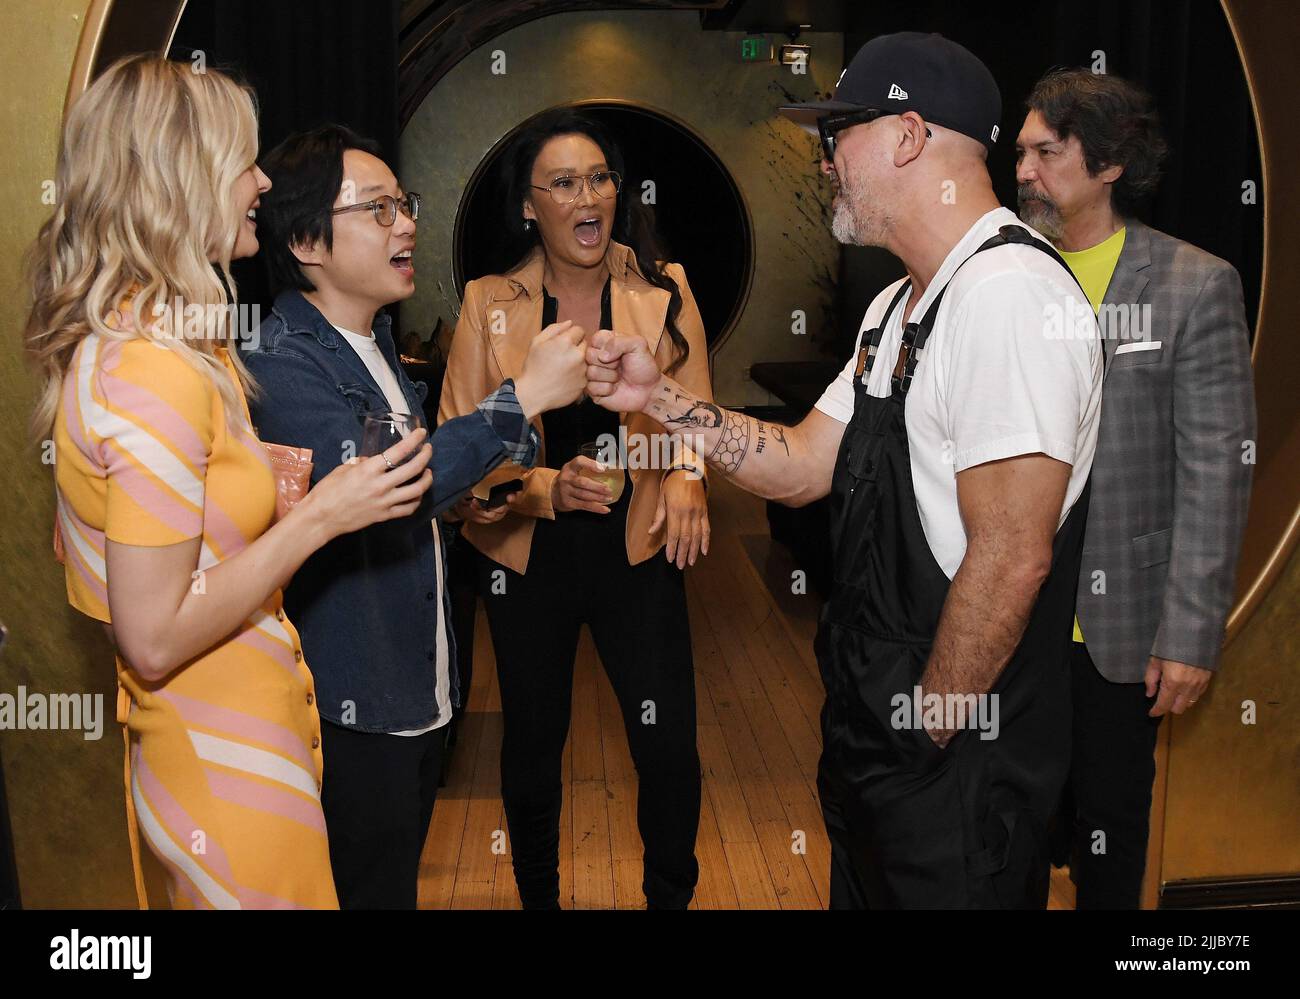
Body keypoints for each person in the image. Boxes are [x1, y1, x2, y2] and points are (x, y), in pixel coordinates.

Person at [586, 33, 1104, 908]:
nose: (825, 162)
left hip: (953, 776)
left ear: (907, 137)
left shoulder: (1009, 297)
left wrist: (928, 732)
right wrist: (663, 398)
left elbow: (1012, 556)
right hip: (875, 751)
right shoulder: (896, 307)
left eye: (838, 135)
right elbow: (798, 464)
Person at [25, 56, 434, 909]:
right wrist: (319, 515)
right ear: (178, 180)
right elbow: (153, 634)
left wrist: (263, 495)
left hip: (241, 737)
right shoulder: (150, 369)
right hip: (226, 763)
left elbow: (123, 547)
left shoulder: (163, 346)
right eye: (241, 161)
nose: (259, 181)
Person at [243, 125, 588, 909]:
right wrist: (525, 396)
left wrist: (464, 493)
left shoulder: (375, 345)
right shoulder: (281, 361)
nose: (406, 224)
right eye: (378, 209)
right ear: (306, 240)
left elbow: (409, 492)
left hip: (416, 690)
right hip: (351, 704)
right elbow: (380, 488)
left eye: (404, 203)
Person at [439, 109, 713, 909]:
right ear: (530, 206)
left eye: (599, 178)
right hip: (531, 559)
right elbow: (460, 457)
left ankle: (670, 896)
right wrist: (544, 489)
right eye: (563, 183)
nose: (587, 195)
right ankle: (538, 899)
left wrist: (689, 473)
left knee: (668, 751)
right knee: (531, 748)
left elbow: (700, 419)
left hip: (642, 546)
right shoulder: (490, 302)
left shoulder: (667, 289)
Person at [1015, 69, 1255, 908]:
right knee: (1006, 825)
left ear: (1109, 163)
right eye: (1021, 153)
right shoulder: (1003, 276)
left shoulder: (1194, 285)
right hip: (1009, 610)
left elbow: (1217, 471)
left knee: (1107, 841)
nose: (1024, 172)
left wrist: (1190, 634)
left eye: (1047, 153)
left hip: (1118, 630)